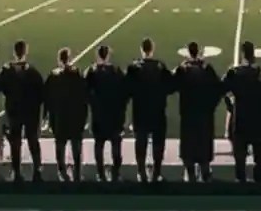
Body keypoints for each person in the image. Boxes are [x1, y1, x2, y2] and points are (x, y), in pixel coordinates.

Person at [223, 41, 261, 184]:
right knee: (259, 160)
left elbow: (221, 89)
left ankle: (241, 184)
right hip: (257, 121)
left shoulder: (235, 73)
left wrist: (230, 105)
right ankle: (258, 184)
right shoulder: (260, 73)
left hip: (240, 120)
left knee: (240, 162)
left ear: (242, 54)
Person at [126, 38, 174, 183]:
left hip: (140, 111)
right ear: (152, 49)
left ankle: (141, 173)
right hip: (157, 110)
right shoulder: (160, 66)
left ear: (142, 50)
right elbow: (170, 86)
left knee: (141, 142)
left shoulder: (134, 68)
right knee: (158, 144)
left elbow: (127, 89)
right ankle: (156, 173)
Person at [174, 41, 222, 182]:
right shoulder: (207, 69)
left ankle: (190, 173)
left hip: (188, 114)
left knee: (189, 144)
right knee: (203, 143)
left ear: (188, 52)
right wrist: (211, 106)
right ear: (199, 52)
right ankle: (205, 171)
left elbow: (172, 84)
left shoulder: (183, 70)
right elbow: (218, 89)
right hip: (204, 114)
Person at [0, 40, 44, 182]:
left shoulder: (7, 71)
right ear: (25, 52)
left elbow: (0, 87)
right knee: (32, 141)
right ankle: (37, 171)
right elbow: (41, 93)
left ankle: (17, 172)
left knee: (16, 142)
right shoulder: (32, 71)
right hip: (29, 111)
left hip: (14, 110)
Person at [85, 45, 128, 182]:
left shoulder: (91, 71)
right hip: (114, 114)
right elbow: (124, 93)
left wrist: (93, 105)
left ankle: (100, 173)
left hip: (99, 114)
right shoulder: (116, 71)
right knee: (116, 144)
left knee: (99, 144)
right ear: (107, 55)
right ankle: (115, 172)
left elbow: (85, 93)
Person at [46, 47, 89, 182]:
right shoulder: (76, 75)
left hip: (60, 117)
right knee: (76, 146)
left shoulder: (54, 76)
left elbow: (48, 98)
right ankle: (77, 173)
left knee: (60, 146)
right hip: (74, 116)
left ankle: (62, 172)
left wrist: (48, 117)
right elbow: (84, 96)